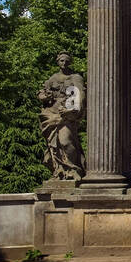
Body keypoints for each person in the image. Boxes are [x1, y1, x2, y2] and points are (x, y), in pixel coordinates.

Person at [38, 51, 86, 180]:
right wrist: (44, 97)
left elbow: (80, 95)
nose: (64, 63)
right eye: (61, 60)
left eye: (67, 61)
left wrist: (71, 110)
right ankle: (59, 171)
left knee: (65, 141)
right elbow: (42, 93)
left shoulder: (76, 78)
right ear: (58, 62)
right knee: (54, 145)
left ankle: (73, 169)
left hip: (67, 114)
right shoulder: (52, 78)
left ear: (70, 62)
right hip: (50, 114)